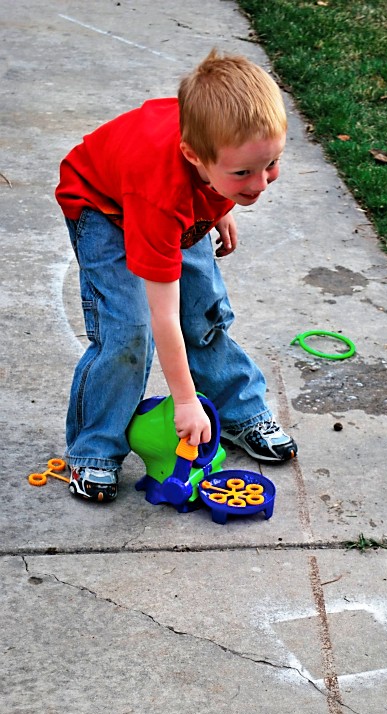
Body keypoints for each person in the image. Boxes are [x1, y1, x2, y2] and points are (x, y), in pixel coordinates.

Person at [55, 49, 298, 503]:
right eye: (244, 172)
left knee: (202, 313)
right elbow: (160, 314)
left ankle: (239, 412)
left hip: (175, 198)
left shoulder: (221, 153)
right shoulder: (161, 195)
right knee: (128, 329)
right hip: (103, 205)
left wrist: (223, 203)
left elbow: (229, 174)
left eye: (271, 164)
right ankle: (95, 448)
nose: (262, 183)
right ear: (195, 157)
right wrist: (184, 402)